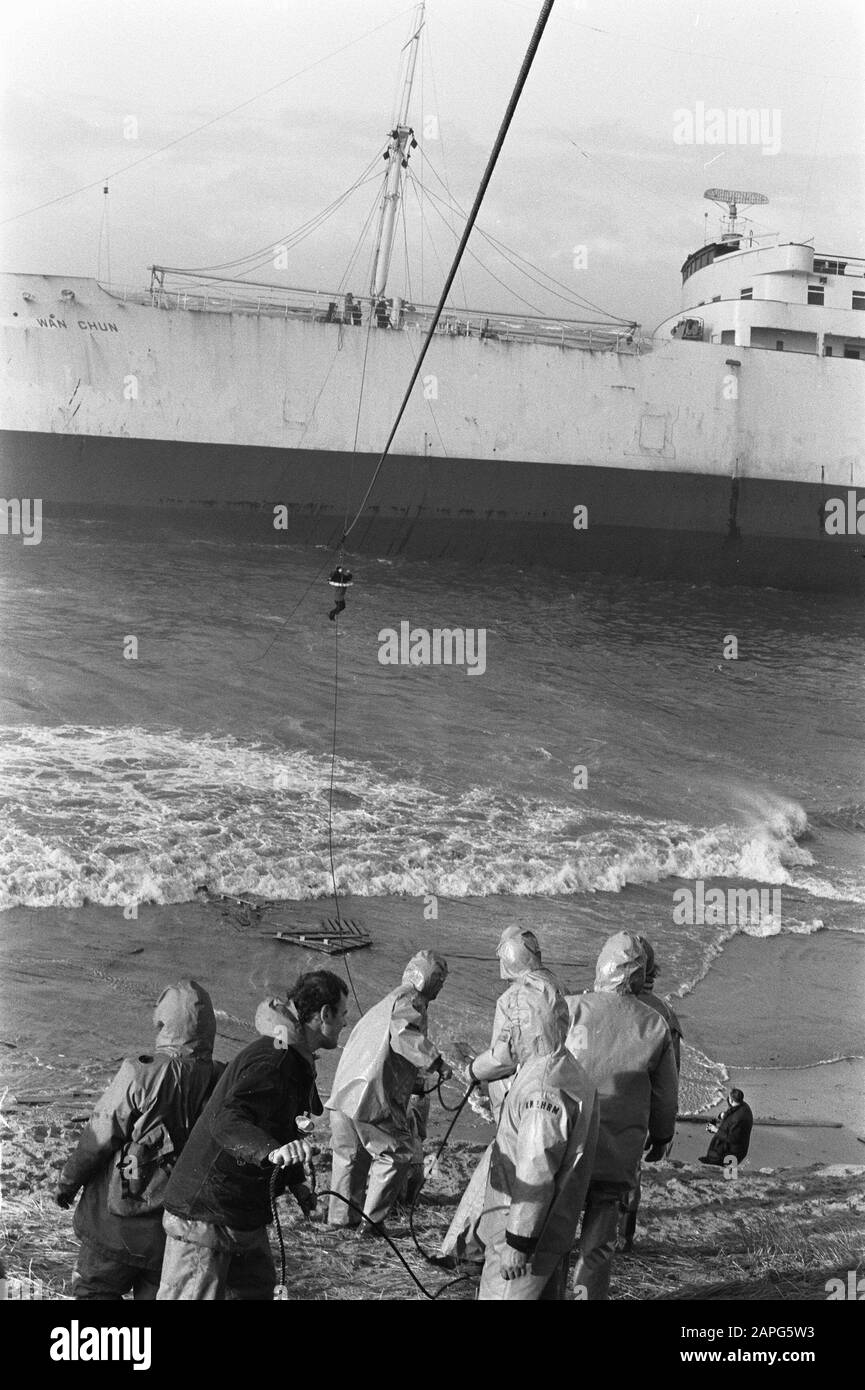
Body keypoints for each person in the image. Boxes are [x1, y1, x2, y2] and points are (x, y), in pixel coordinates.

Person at [156, 970, 349, 1300]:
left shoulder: (290, 1056)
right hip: (204, 1214)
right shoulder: (273, 1057)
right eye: (343, 1015)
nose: (345, 1023)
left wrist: (295, 1181)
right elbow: (227, 1120)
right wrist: (273, 1153)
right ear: (324, 1015)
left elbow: (278, 1125)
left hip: (240, 1210)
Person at [55, 979, 221, 1301]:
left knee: (95, 1290)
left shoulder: (140, 1072)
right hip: (173, 1227)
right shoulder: (218, 1076)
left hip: (118, 1220)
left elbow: (99, 1137)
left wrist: (68, 1182)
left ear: (164, 1022)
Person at [441, 929, 568, 1263]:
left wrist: (473, 1071)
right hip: (553, 1084)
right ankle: (483, 1243)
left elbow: (505, 1056)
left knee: (507, 1175)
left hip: (520, 1094)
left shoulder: (515, 997)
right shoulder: (556, 986)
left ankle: (481, 1249)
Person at [566, 932, 679, 1299]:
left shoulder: (570, 1008)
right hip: (619, 1146)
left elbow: (539, 1069)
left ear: (602, 965)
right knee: (599, 1239)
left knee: (555, 1231)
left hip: (569, 1140)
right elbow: (666, 1094)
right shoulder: (655, 1021)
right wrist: (662, 1136)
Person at [476, 986, 598, 1300]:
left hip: (523, 1237)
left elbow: (535, 1169)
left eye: (510, 1031)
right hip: (552, 1229)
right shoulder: (567, 1068)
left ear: (527, 1031)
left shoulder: (542, 1089)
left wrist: (517, 1242)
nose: (507, 1041)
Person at [326, 950, 451, 1236]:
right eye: (439, 980)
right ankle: (372, 1223)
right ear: (428, 980)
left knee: (349, 1158)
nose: (441, 986)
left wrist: (414, 1082)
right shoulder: (410, 1002)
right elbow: (404, 1035)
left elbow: (384, 1048)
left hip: (344, 1093)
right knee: (397, 1152)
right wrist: (436, 1062)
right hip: (370, 1098)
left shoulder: (385, 1002)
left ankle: (341, 1223)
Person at [619, 935, 684, 1251]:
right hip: (640, 1110)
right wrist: (663, 1132)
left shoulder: (598, 1001)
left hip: (599, 1104)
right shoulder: (664, 1014)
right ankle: (623, 1237)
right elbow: (670, 1081)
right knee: (630, 1176)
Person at [700, 1088, 754, 1167]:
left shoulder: (738, 1118)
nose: (727, 1099)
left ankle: (723, 1173)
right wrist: (723, 1115)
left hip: (733, 1153)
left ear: (732, 1100)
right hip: (737, 1148)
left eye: (729, 1098)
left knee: (725, 1174)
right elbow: (732, 1113)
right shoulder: (743, 1106)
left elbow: (733, 1139)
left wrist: (716, 1130)